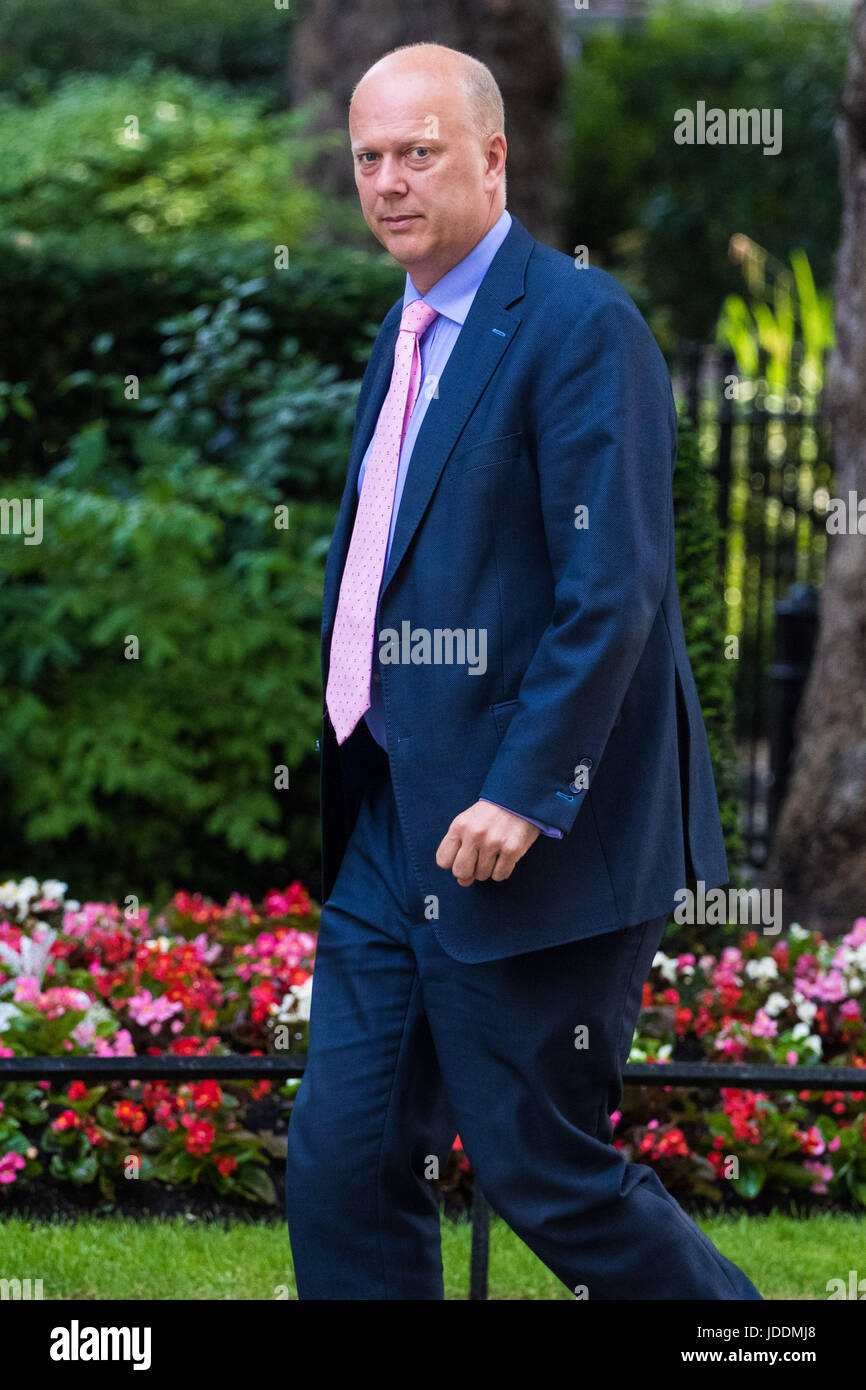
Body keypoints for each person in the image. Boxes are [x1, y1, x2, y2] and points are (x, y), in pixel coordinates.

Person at [285, 40, 762, 1301]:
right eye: (369, 157)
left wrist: (523, 788)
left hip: (527, 828)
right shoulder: (403, 332)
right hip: (392, 813)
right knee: (340, 1160)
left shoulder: (578, 323)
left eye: (418, 152)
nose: (387, 181)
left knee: (541, 1170)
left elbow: (611, 589)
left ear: (493, 159)